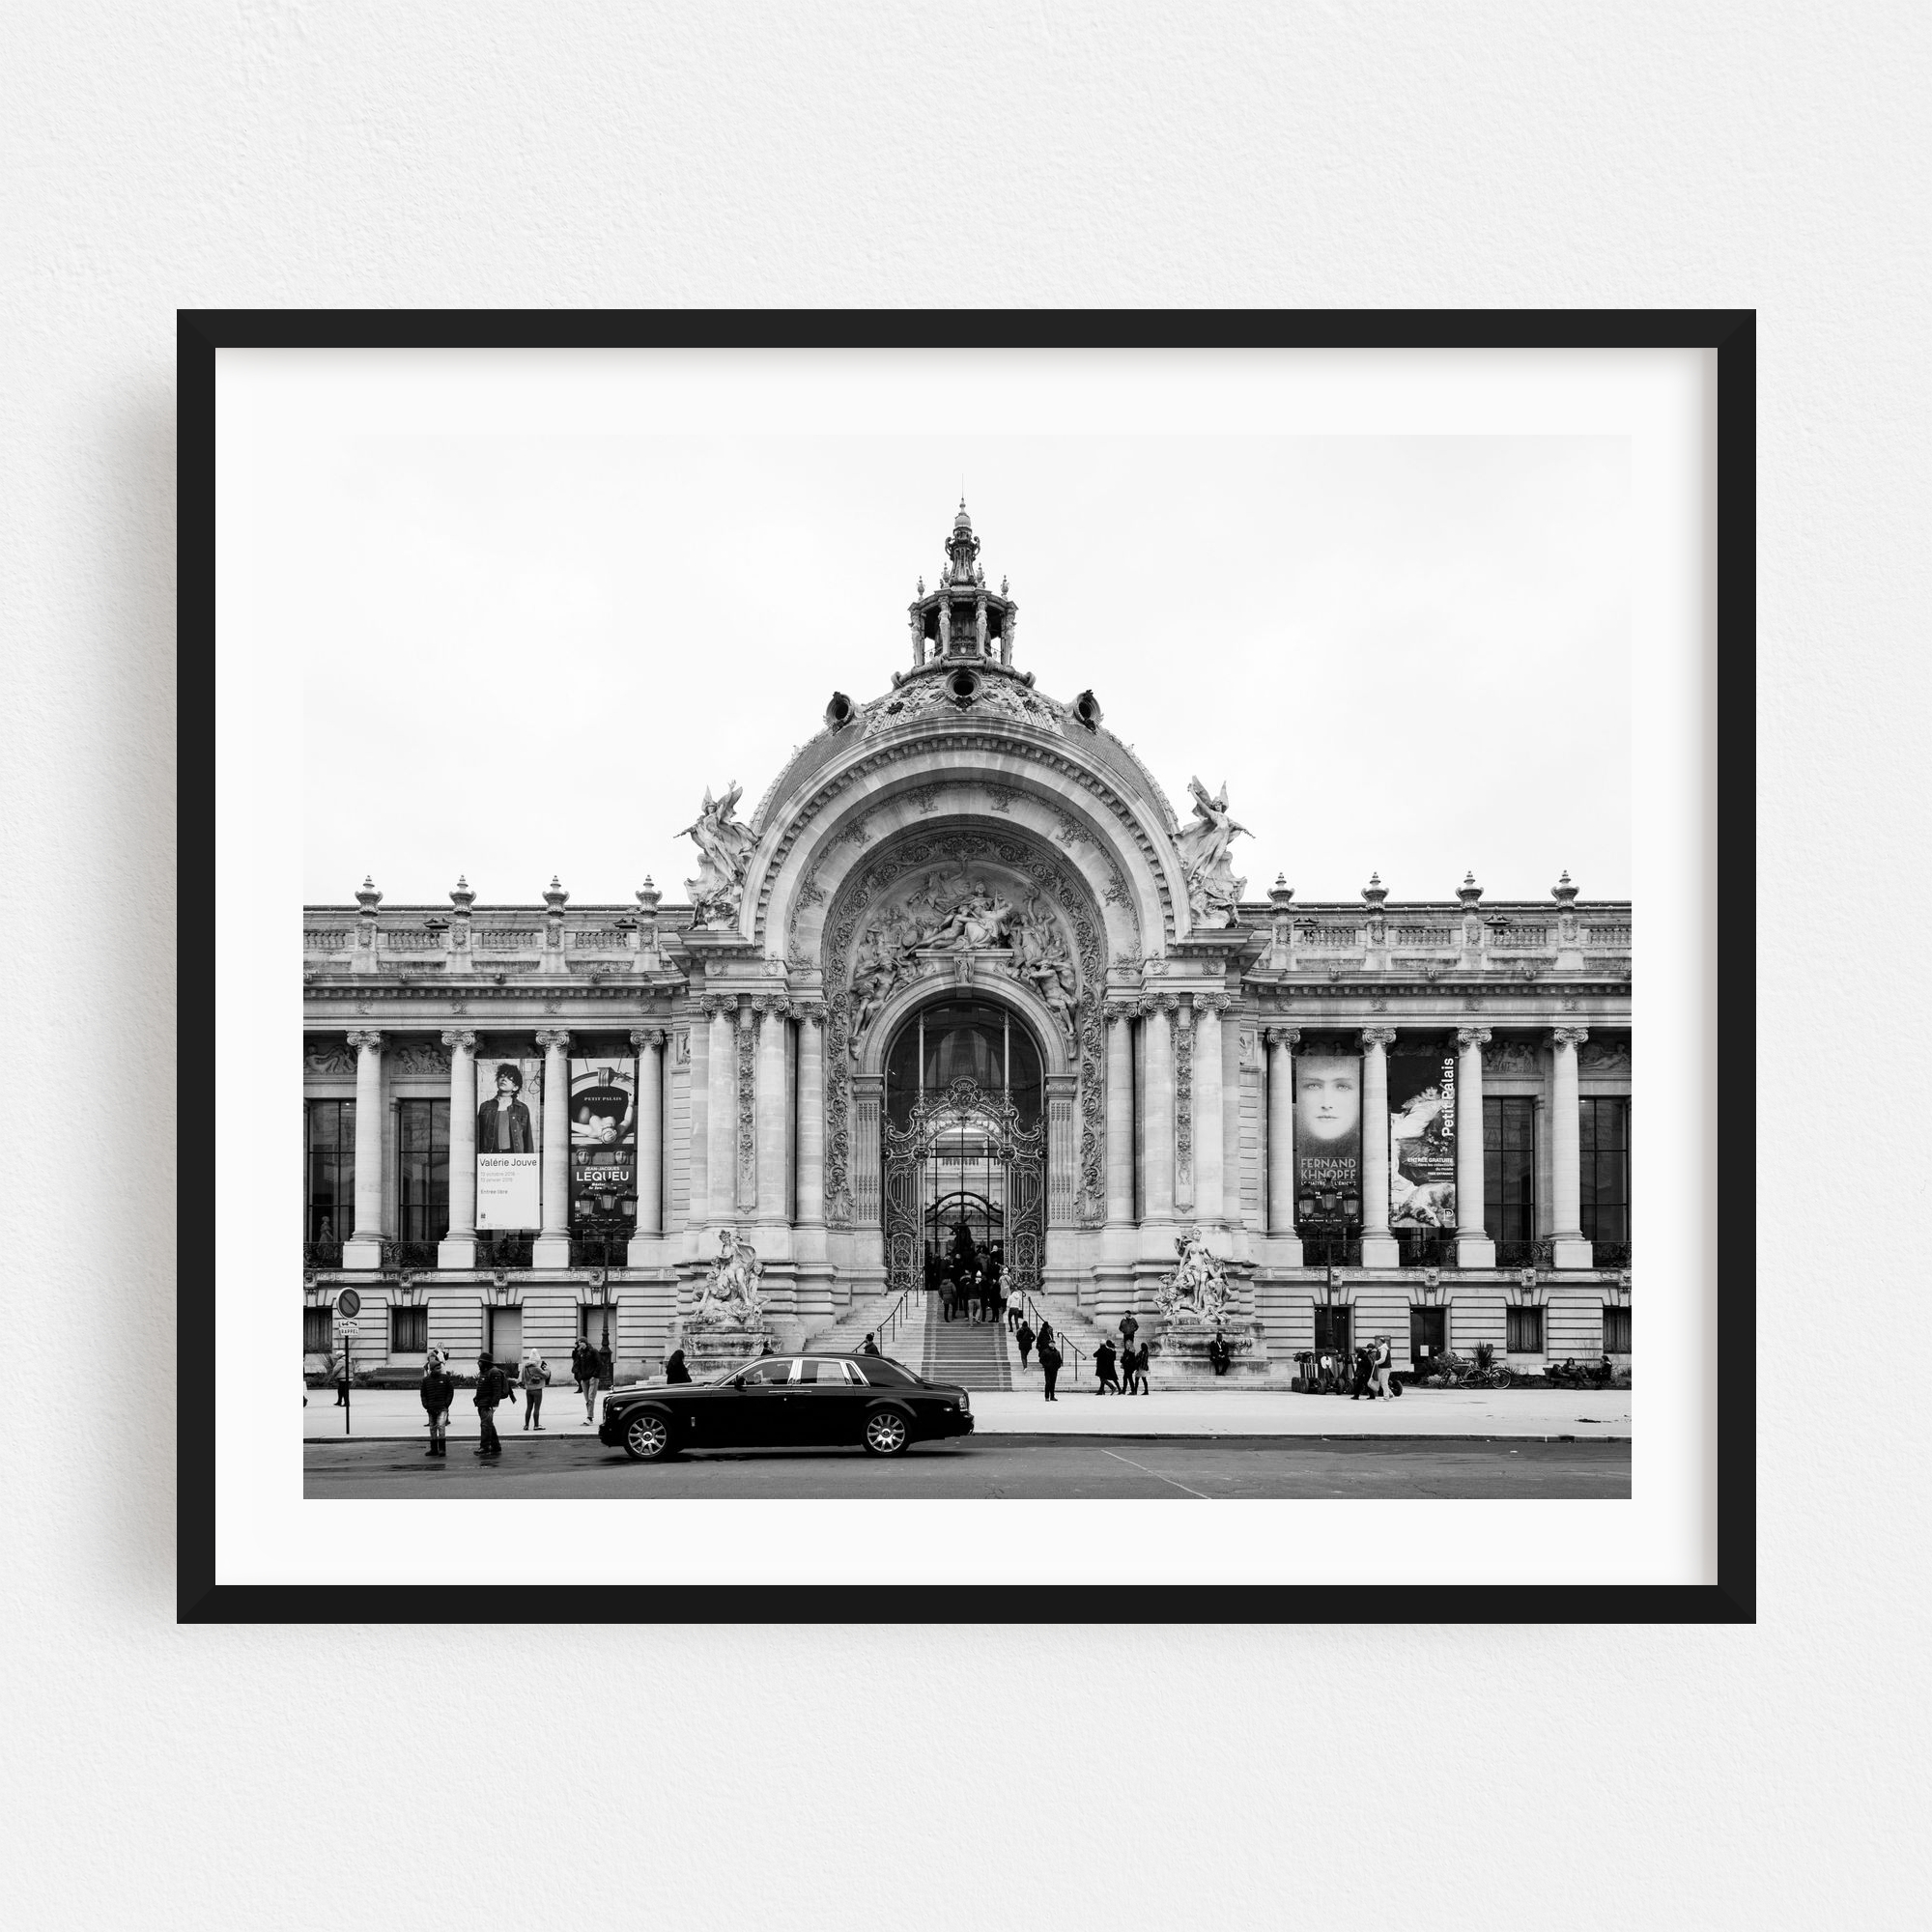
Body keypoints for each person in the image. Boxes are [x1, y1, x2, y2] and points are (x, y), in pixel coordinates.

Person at [477, 1062, 535, 1153]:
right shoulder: (485, 1106)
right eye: (502, 1076)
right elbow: (478, 1136)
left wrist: (529, 1162)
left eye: (509, 1078)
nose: (504, 1079)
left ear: (515, 1087)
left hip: (514, 1156)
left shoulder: (522, 1108)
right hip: (490, 1157)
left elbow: (527, 1138)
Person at [472, 1351, 509, 1458]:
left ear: (485, 1362)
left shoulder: (494, 1372)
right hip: (482, 1403)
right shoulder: (485, 1371)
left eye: (480, 1361)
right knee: (488, 1424)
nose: (478, 1363)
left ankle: (484, 1447)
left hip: (488, 1404)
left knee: (485, 1425)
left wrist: (494, 1405)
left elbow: (496, 1390)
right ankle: (496, 1446)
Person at [420, 1349, 455, 1458]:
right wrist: (426, 1404)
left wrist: (446, 1404)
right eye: (437, 1368)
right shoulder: (426, 1380)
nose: (440, 1369)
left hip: (442, 1407)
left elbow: (450, 1392)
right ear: (432, 1369)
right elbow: (423, 1394)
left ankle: (442, 1449)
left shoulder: (445, 1378)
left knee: (441, 1426)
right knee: (432, 1427)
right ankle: (434, 1449)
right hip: (431, 1407)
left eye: (440, 1367)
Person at [520, 1349, 548, 1429]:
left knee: (529, 1407)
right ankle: (536, 1425)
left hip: (528, 1390)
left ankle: (526, 1425)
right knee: (537, 1408)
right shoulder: (536, 1368)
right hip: (537, 1390)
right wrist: (547, 1369)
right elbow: (545, 1375)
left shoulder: (525, 1367)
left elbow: (522, 1378)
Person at [572, 1338, 598, 1422]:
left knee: (591, 1398)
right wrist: (580, 1376)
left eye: (580, 1344)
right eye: (579, 1344)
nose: (579, 1345)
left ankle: (589, 1417)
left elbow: (599, 1363)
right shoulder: (580, 1353)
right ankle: (590, 1416)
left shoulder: (593, 1351)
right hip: (583, 1379)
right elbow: (577, 1364)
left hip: (592, 1378)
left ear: (585, 1343)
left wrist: (594, 1375)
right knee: (587, 1399)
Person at [1038, 1331, 1063, 1402]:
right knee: (1048, 1383)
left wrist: (1058, 1366)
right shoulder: (1045, 1351)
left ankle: (1052, 1396)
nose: (1052, 1344)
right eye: (1051, 1343)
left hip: (1054, 1369)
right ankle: (1047, 1396)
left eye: (1053, 1343)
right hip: (1048, 1369)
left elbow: (1059, 1360)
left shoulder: (1057, 1352)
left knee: (1053, 1383)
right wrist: (1046, 1365)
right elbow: (1041, 1360)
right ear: (1049, 1344)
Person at [1371, 1334, 1394, 1400]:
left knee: (1384, 1382)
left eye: (1378, 1341)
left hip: (1385, 1368)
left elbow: (1383, 1359)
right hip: (1383, 1367)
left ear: (1381, 1342)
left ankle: (1386, 1397)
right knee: (1381, 1382)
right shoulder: (1381, 1348)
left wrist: (1376, 1362)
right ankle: (1390, 1393)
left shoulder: (1383, 1349)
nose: (1377, 1342)